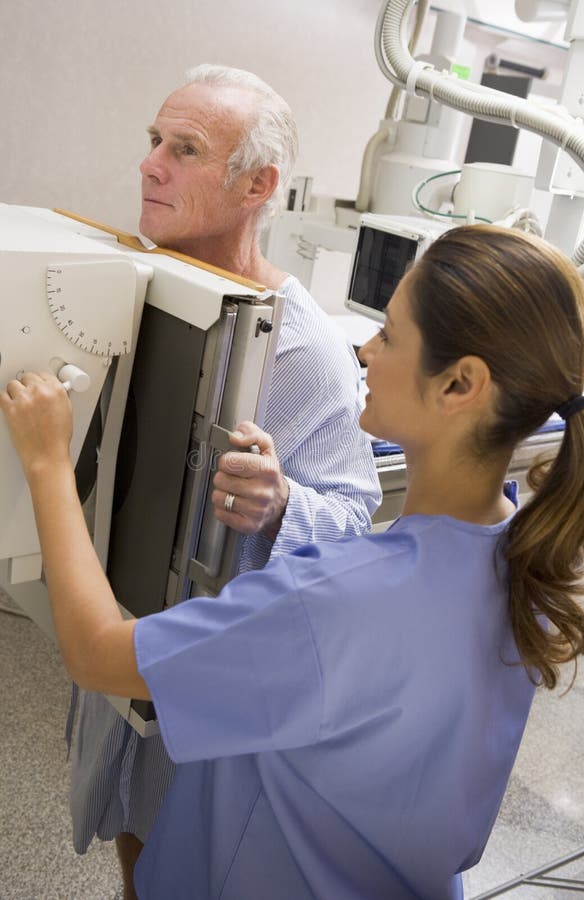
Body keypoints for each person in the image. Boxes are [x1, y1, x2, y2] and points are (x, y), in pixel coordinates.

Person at [3, 224, 584, 899]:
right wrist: (287, 500)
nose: (366, 350)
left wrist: (49, 461)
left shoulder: (336, 603)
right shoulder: (522, 556)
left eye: (391, 336)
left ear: (460, 384)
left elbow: (94, 652)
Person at [67, 64, 382, 897]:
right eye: (153, 141)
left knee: (183, 852)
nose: (150, 164)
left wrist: (282, 504)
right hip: (133, 628)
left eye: (185, 149)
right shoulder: (152, 284)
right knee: (133, 830)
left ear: (258, 185)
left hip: (216, 664)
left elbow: (357, 511)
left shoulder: (303, 351)